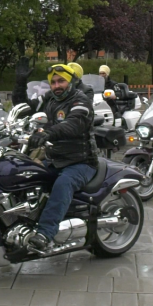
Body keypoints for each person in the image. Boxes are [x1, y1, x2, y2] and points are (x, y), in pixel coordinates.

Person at [23, 64, 96, 251]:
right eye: (53, 82)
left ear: (70, 81)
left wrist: (47, 133)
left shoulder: (80, 100)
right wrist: (19, 83)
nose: (57, 85)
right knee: (26, 174)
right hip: (55, 158)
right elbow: (24, 107)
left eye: (61, 80)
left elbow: (73, 125)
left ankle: (45, 234)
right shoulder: (50, 99)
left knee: (63, 183)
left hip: (81, 161)